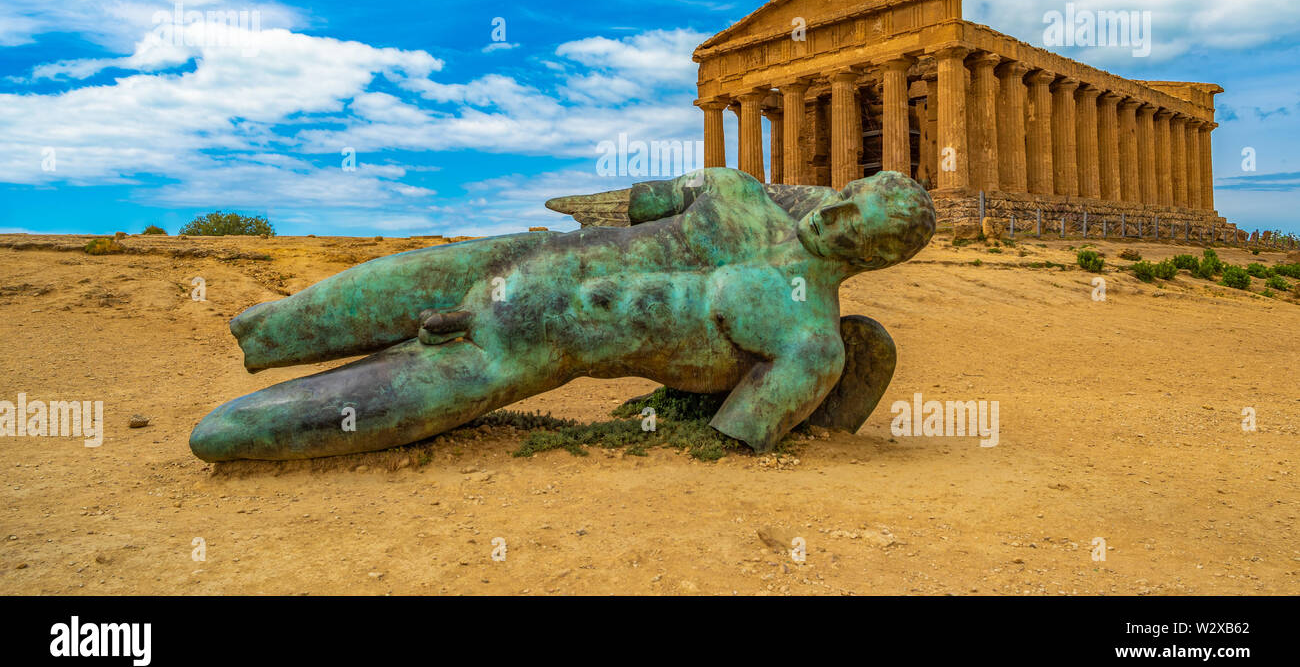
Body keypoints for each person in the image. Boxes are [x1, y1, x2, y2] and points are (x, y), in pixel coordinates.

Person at [190, 167, 934, 461]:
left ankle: (232, 433)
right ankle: (263, 334)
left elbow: (734, 429)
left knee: (226, 433)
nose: (832, 213)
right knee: (276, 322)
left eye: (855, 223)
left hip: (538, 342)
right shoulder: (739, 190)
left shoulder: (811, 344)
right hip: (516, 261)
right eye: (848, 194)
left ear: (879, 255)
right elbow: (641, 200)